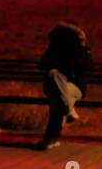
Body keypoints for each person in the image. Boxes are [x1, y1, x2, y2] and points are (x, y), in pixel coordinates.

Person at [36, 21, 91, 150]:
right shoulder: (55, 48)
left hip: (74, 87)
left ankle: (51, 138)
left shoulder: (81, 49)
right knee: (55, 77)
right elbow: (44, 64)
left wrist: (61, 65)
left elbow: (84, 67)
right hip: (55, 86)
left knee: (59, 98)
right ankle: (68, 109)